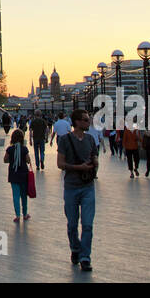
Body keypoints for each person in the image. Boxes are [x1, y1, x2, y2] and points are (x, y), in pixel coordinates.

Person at [58, 108, 98, 272]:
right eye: (85, 120)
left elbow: (94, 157)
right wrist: (77, 167)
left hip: (88, 187)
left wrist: (94, 164)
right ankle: (75, 248)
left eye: (88, 120)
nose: (88, 122)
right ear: (77, 122)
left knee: (87, 225)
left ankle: (85, 257)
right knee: (72, 224)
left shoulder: (90, 139)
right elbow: (60, 164)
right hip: (71, 187)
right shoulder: (65, 140)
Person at [5, 127, 32, 222]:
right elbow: (28, 160)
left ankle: (17, 215)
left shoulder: (10, 149)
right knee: (23, 195)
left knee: (15, 195)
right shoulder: (24, 149)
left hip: (13, 174)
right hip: (23, 174)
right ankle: (25, 214)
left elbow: (5, 160)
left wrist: (13, 160)